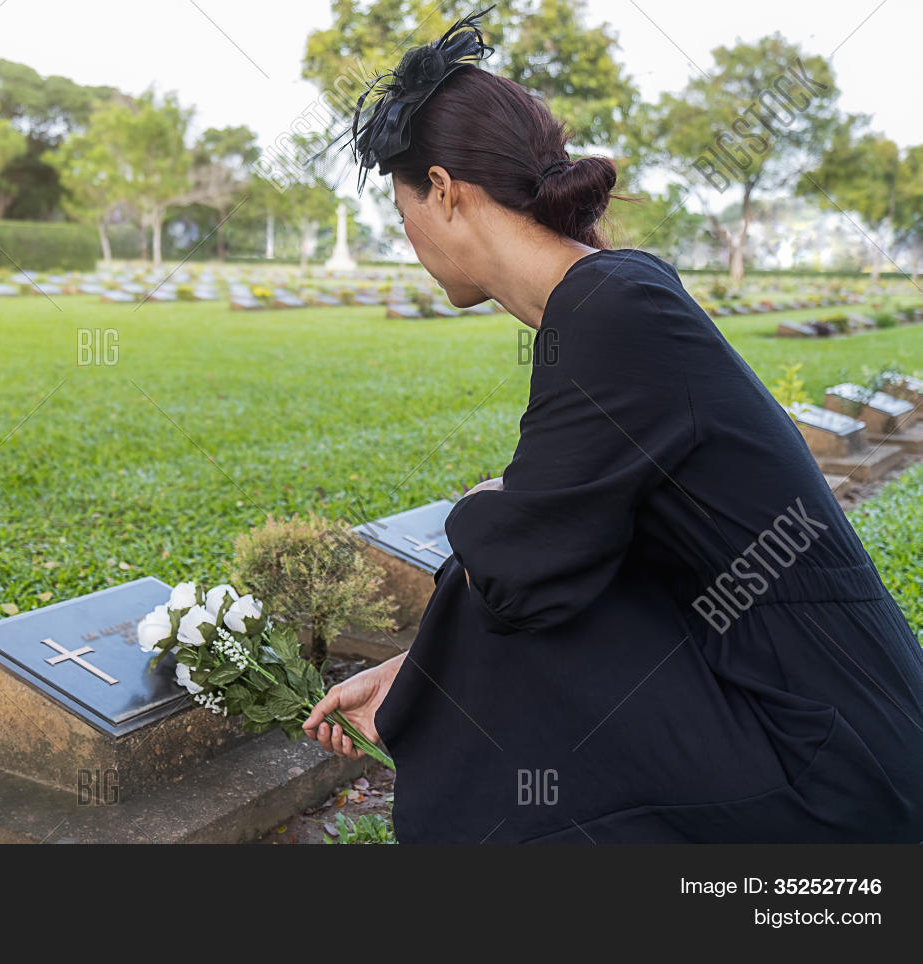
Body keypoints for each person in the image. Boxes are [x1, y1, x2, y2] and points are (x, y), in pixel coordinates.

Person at [302, 9, 923, 843]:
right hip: (801, 706)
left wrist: (488, 504)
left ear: (444, 192)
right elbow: (563, 553)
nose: (407, 237)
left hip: (833, 752)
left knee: (504, 608)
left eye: (403, 209)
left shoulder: (611, 310)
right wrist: (419, 670)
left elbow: (521, 561)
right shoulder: (605, 298)